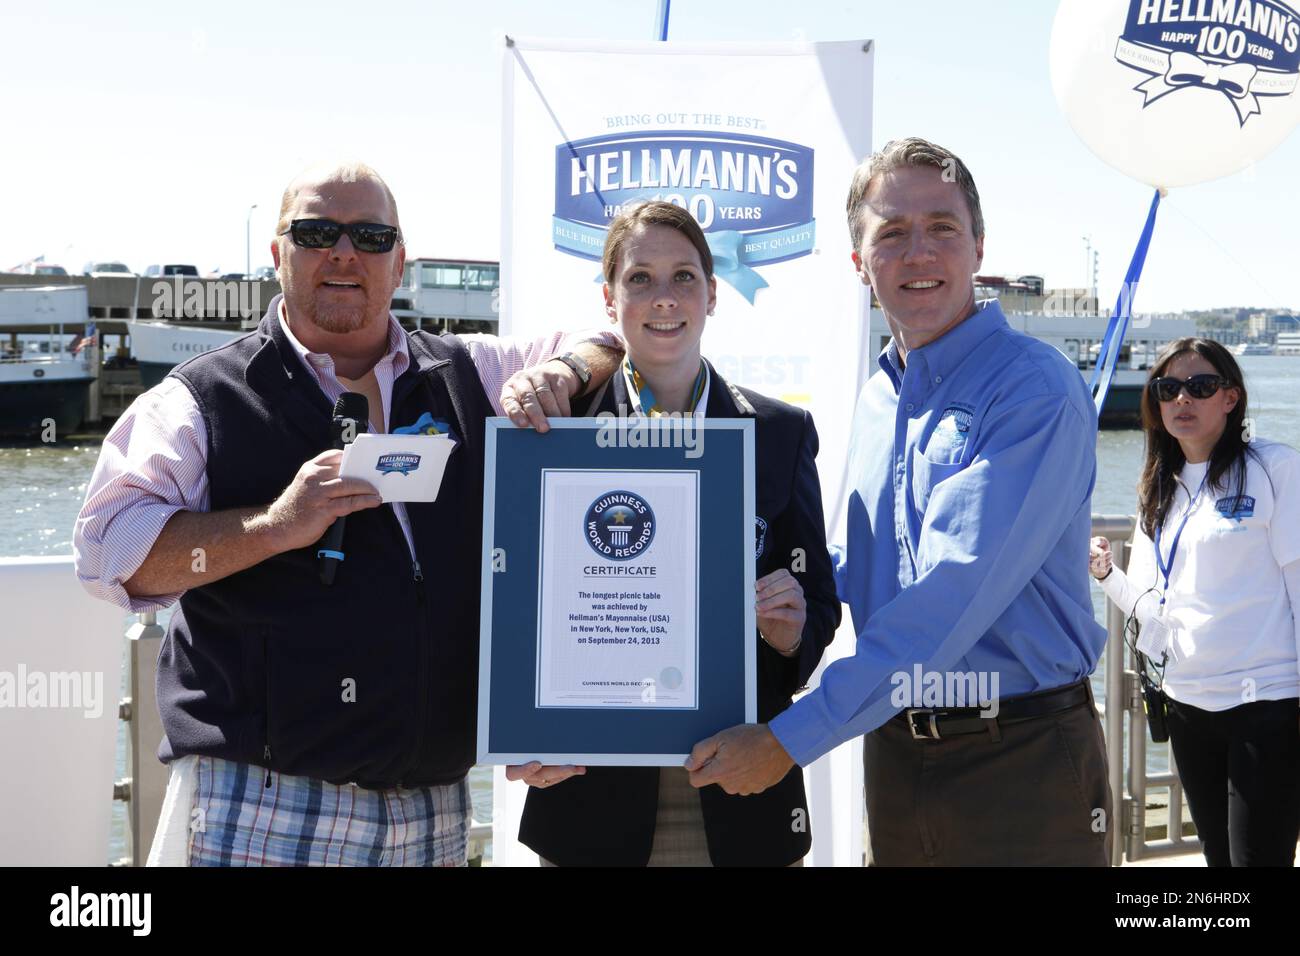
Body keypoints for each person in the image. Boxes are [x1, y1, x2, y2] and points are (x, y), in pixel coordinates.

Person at [73, 161, 622, 866]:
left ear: (400, 263)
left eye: (369, 235)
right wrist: (272, 527)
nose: (343, 252)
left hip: (434, 807)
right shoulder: (200, 399)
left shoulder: (470, 372)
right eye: (316, 232)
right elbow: (105, 553)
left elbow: (606, 342)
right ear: (278, 256)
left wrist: (567, 372)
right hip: (261, 803)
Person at [685, 138, 1113, 866]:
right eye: (891, 233)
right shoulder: (882, 395)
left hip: (1024, 762)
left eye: (942, 227)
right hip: (897, 755)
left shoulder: (1033, 391)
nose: (919, 252)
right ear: (860, 264)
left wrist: (788, 739)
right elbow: (849, 565)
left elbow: (945, 602)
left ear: (979, 247)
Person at [508, 200, 841, 866]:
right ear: (609, 299)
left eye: (684, 276)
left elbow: (819, 606)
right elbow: (513, 599)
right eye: (640, 278)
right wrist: (518, 727)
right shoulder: (551, 429)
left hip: (739, 790)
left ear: (713, 295)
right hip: (589, 798)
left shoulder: (778, 434)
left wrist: (792, 632)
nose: (664, 297)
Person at [1090, 338, 1300, 866]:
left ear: (1230, 398)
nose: (1183, 399)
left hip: (1268, 703)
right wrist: (1106, 573)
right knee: (1218, 860)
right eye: (1169, 389)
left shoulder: (1275, 469)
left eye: (1200, 386)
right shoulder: (1158, 489)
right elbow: (1149, 608)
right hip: (1187, 705)